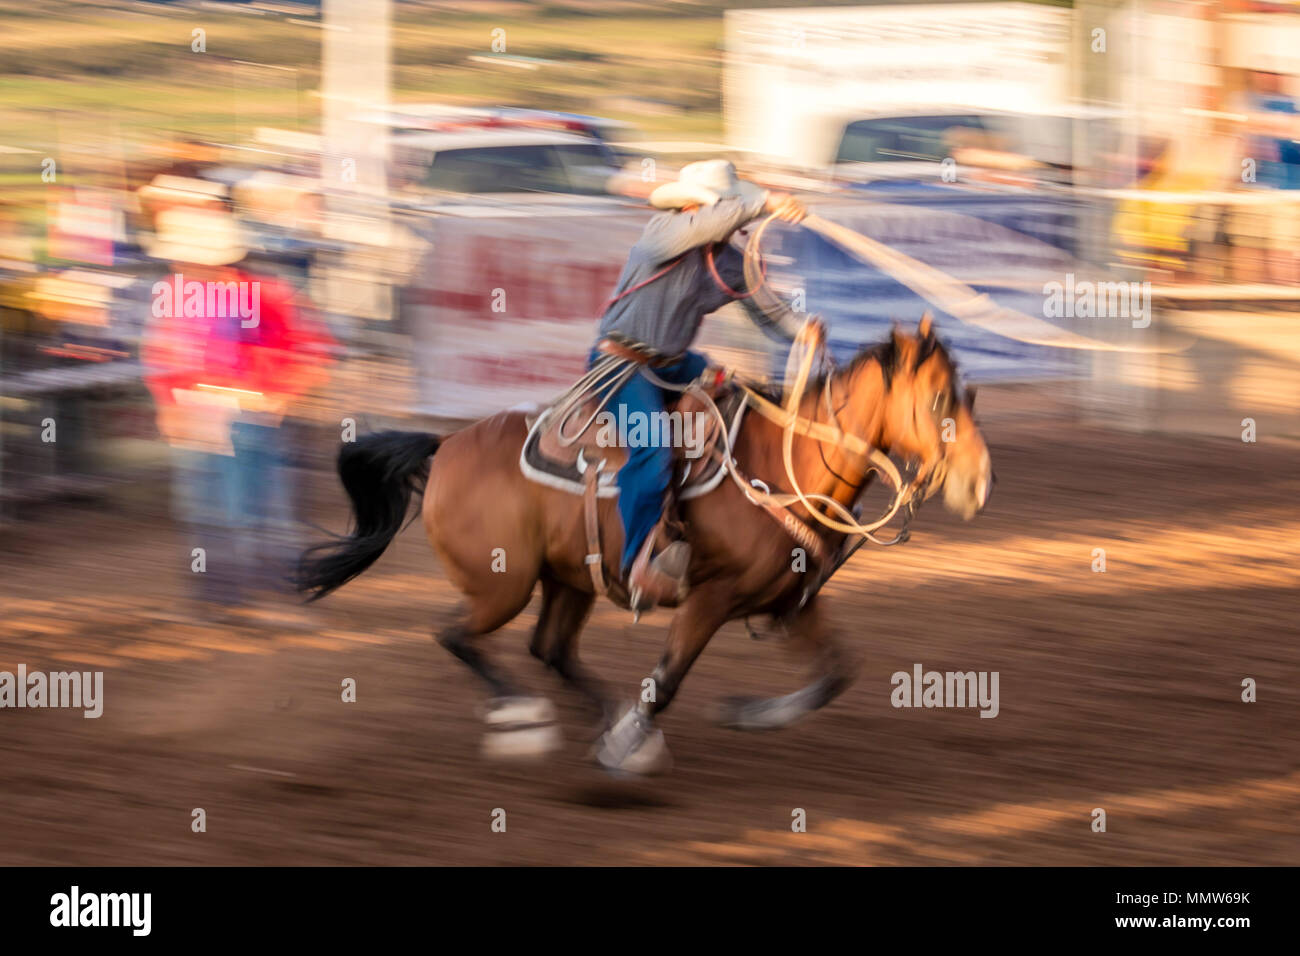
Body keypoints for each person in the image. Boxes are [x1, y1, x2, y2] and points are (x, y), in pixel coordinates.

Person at [591, 159, 806, 608]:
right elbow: (715, 223)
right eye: (718, 210)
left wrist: (803, 329)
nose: (723, 221)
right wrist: (764, 202)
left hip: (674, 362)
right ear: (692, 207)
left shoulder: (728, 263)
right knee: (652, 449)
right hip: (620, 363)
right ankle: (636, 566)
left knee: (750, 405)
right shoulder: (661, 234)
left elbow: (769, 312)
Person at [141, 202, 335, 621]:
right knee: (211, 510)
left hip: (246, 411)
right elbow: (164, 356)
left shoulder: (261, 296)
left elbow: (312, 350)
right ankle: (218, 597)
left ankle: (272, 599)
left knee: (254, 510)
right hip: (205, 413)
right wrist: (168, 403)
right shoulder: (188, 295)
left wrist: (280, 393)